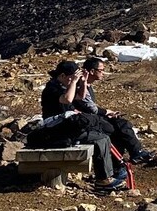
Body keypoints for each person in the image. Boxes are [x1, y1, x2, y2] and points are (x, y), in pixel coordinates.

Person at [29, 60, 128, 192]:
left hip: (68, 127)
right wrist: (74, 82)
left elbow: (80, 97)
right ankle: (104, 179)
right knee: (100, 138)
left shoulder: (65, 85)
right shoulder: (52, 88)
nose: (71, 81)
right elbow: (68, 99)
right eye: (70, 78)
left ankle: (104, 178)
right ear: (63, 76)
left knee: (103, 137)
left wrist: (83, 82)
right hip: (55, 130)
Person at [75, 56, 154, 164]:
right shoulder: (81, 86)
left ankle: (124, 161)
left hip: (91, 118)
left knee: (120, 126)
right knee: (120, 127)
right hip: (87, 121)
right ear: (92, 71)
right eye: (101, 70)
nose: (103, 73)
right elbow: (90, 108)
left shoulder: (88, 86)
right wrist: (107, 112)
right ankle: (133, 155)